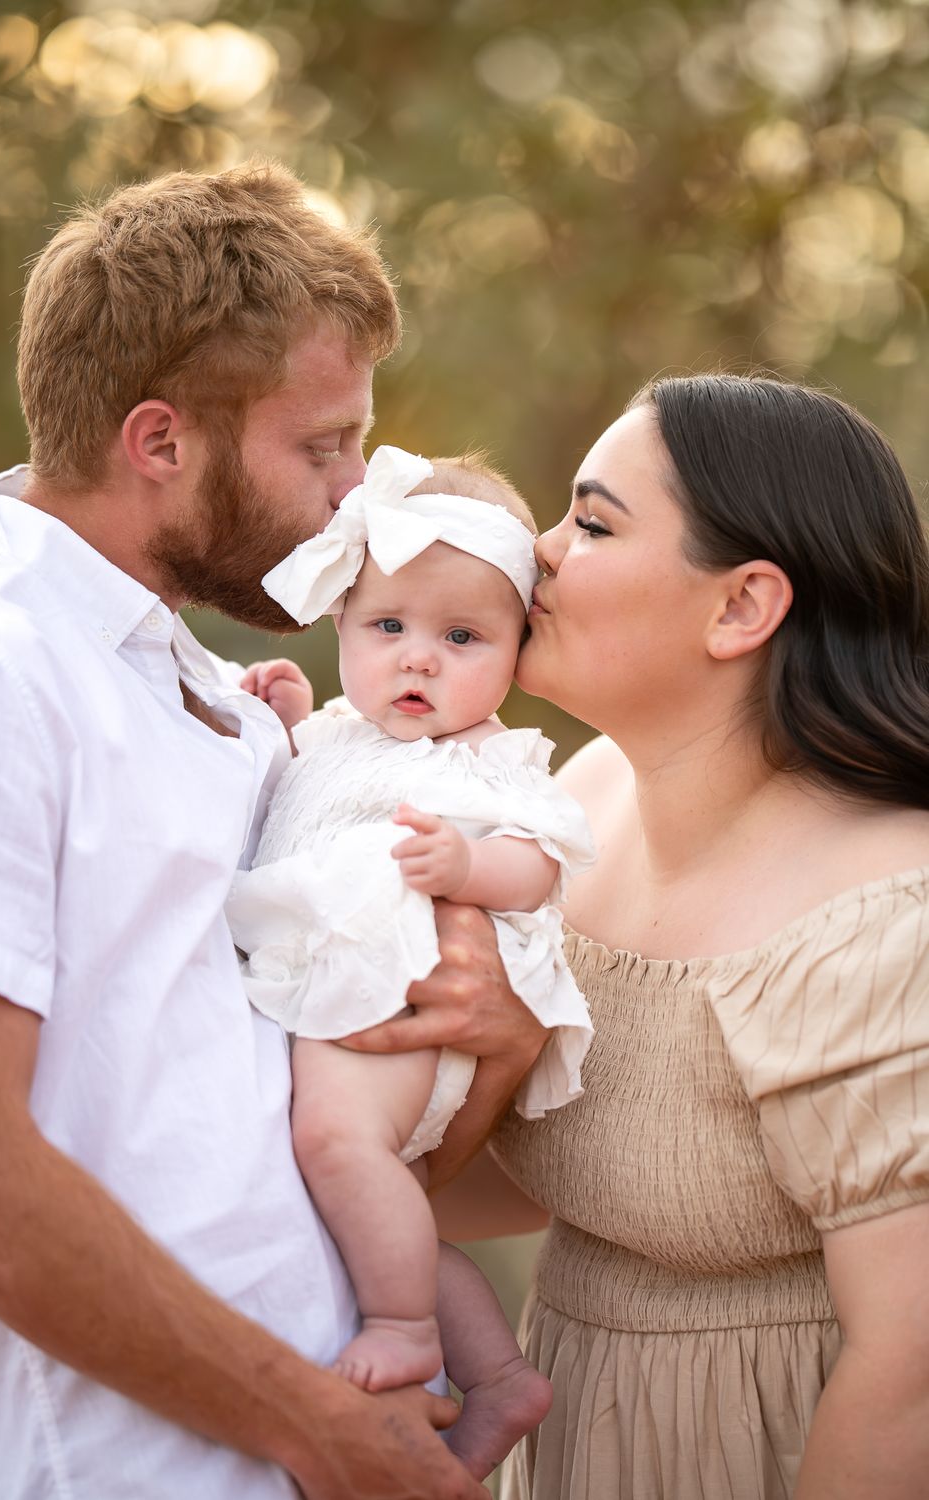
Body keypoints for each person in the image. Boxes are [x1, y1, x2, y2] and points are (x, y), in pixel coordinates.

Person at [0, 162, 540, 1500]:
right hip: (106, 1469)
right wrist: (310, 1427)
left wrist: (493, 1056)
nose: (351, 497)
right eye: (320, 447)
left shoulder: (233, 702)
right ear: (161, 442)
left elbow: (306, 1131)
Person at [367, 373, 929, 1499]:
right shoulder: (577, 806)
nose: (535, 551)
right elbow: (558, 1177)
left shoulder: (884, 929)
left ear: (740, 609)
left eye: (591, 522)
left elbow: (909, 1378)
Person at [227, 443, 594, 1476]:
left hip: (405, 1001)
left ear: (517, 648)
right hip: (352, 998)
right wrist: (292, 723)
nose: (419, 658)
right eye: (388, 627)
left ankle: (403, 1333)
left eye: (461, 636)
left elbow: (541, 863)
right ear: (340, 624)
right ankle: (494, 1378)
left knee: (337, 1149)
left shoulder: (490, 758)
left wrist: (468, 860)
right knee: (367, 1190)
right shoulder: (342, 736)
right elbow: (300, 804)